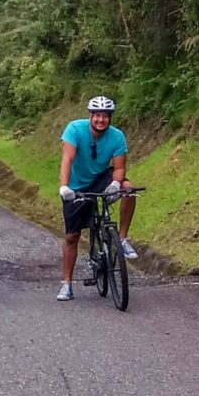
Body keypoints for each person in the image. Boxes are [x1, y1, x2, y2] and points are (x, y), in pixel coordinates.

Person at [55, 94, 138, 302]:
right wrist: (64, 186)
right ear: (90, 116)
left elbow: (119, 167)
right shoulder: (75, 129)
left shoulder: (117, 136)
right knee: (72, 236)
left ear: (110, 118)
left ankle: (122, 238)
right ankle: (67, 284)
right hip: (76, 186)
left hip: (101, 178)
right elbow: (67, 158)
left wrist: (115, 184)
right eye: (97, 115)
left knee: (128, 189)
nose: (101, 120)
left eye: (105, 116)